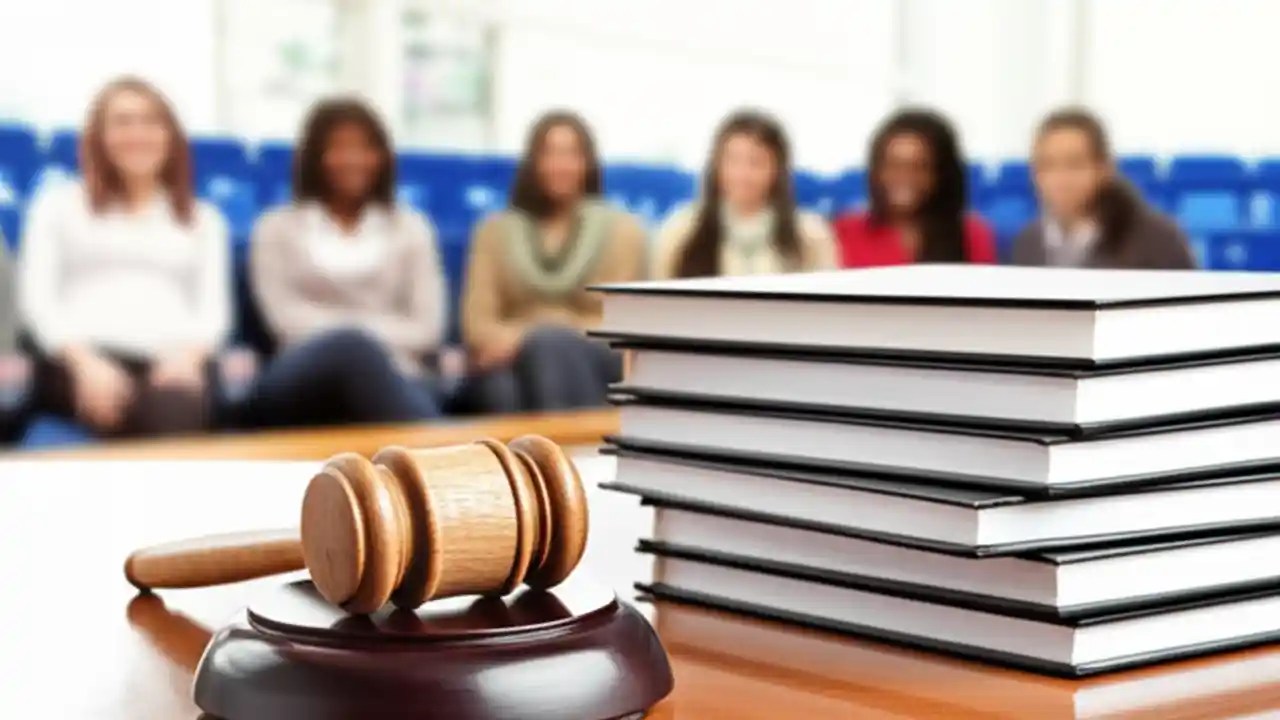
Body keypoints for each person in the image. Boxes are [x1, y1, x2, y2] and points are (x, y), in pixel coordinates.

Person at [18, 77, 231, 437]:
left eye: (150, 122)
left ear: (169, 136)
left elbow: (213, 312)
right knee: (106, 402)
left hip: (173, 362)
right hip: (74, 358)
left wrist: (188, 359)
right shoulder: (56, 204)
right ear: (99, 137)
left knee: (174, 408)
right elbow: (38, 301)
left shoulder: (204, 219)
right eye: (122, 122)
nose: (138, 134)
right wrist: (84, 364)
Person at [245, 98, 445, 427]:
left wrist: (356, 339)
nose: (352, 160)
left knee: (363, 358)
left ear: (381, 157)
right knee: (352, 349)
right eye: (338, 148)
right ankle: (443, 462)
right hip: (299, 378)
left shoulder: (413, 229)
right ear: (315, 157)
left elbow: (426, 328)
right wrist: (357, 339)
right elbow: (284, 320)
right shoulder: (275, 228)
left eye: (365, 148)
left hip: (400, 375)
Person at [460, 111, 645, 414]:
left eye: (571, 154)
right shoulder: (493, 232)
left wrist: (547, 332)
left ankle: (566, 457)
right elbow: (477, 324)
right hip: (508, 361)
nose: (561, 165)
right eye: (550, 154)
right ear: (532, 163)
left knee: (549, 345)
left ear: (588, 163)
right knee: (498, 390)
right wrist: (529, 340)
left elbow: (623, 325)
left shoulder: (624, 232)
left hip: (595, 360)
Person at [653, 110, 836, 279]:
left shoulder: (810, 235)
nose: (742, 174)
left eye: (756, 162)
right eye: (732, 160)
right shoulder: (680, 230)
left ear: (778, 170)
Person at [1012, 108, 1194, 269]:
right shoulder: (1027, 243)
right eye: (1047, 165)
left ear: (1104, 169)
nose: (1060, 179)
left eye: (1075, 164)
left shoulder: (1158, 240)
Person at [834, 109, 995, 266]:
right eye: (892, 166)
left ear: (940, 173)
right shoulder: (844, 232)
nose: (903, 177)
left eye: (919, 167)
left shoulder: (972, 235)